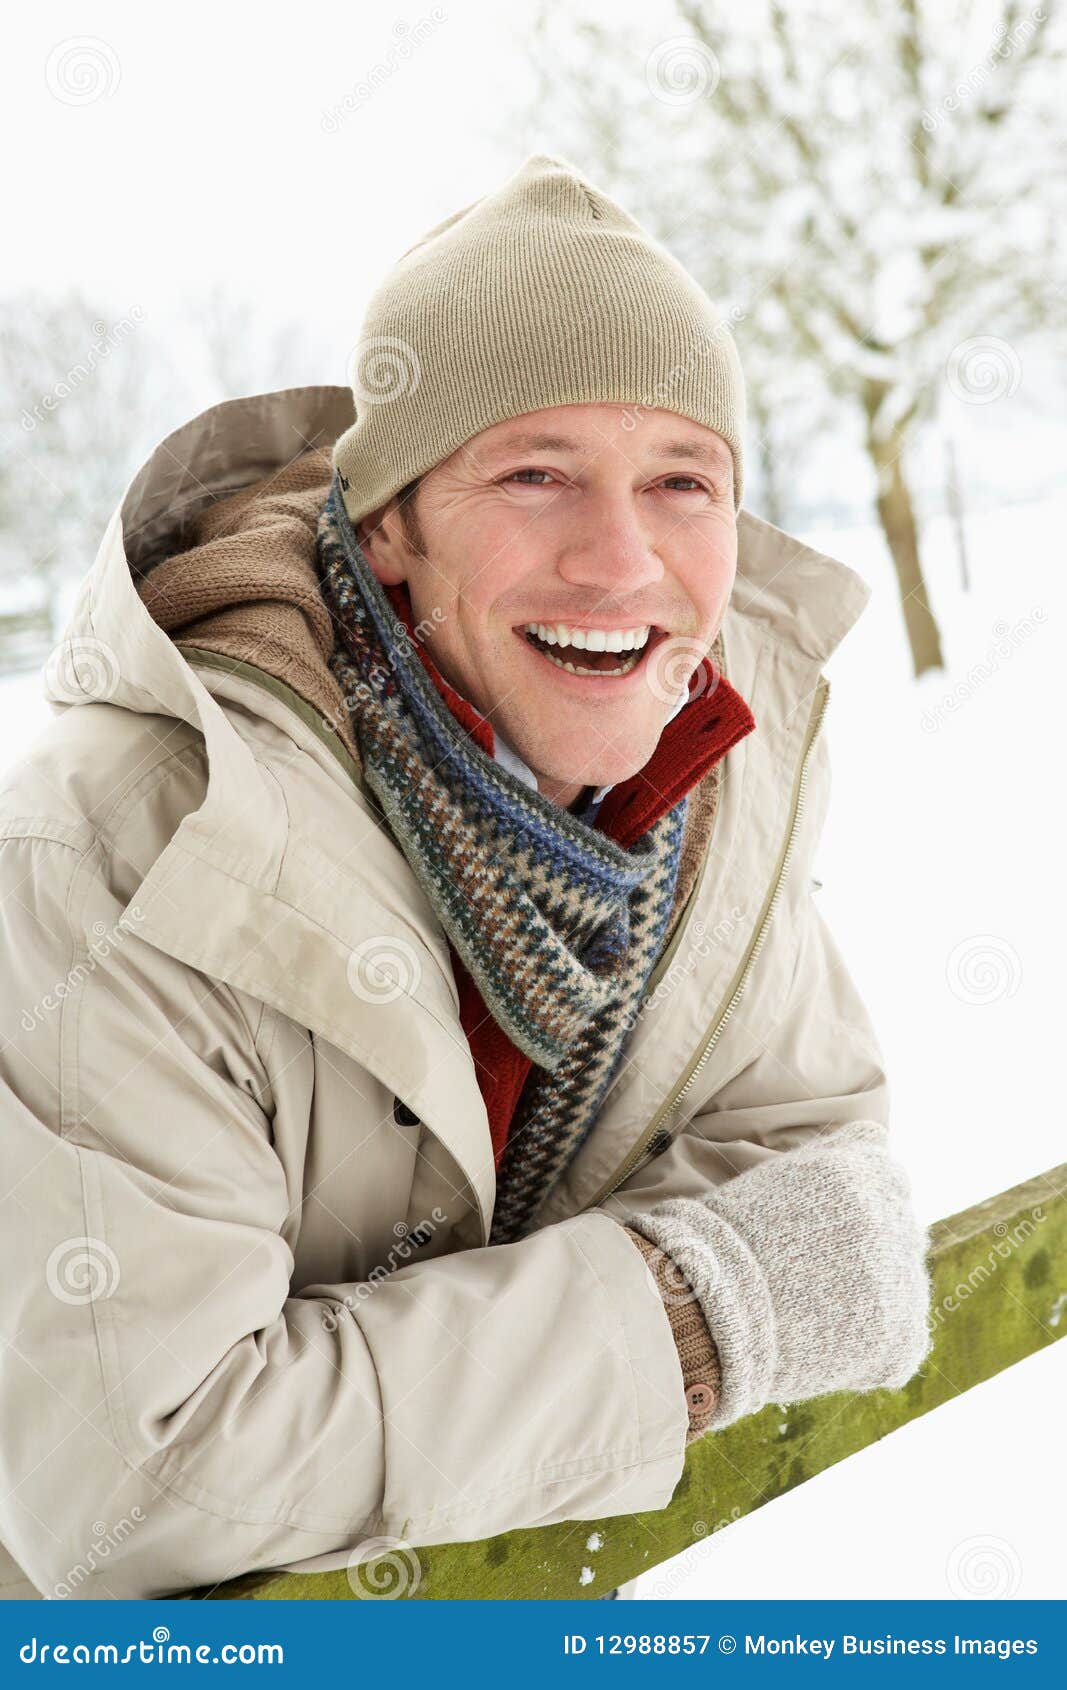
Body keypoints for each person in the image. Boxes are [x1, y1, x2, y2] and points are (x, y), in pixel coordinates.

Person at [0, 154, 931, 1601]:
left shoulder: (717, 781)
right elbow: (142, 1479)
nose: (621, 561)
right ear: (389, 525)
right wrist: (683, 1317)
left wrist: (412, 1391)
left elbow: (811, 1168)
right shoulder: (117, 847)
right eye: (534, 474)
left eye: (682, 481)